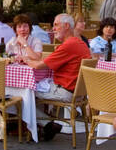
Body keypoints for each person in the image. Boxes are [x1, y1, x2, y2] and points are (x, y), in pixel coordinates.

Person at [20, 13, 90, 141]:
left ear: (67, 26)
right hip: (78, 92)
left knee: (23, 94)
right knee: (32, 89)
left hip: (65, 91)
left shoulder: (69, 45)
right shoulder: (80, 44)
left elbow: (40, 65)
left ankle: (47, 124)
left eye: (56, 25)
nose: (53, 28)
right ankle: (43, 126)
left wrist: (25, 59)